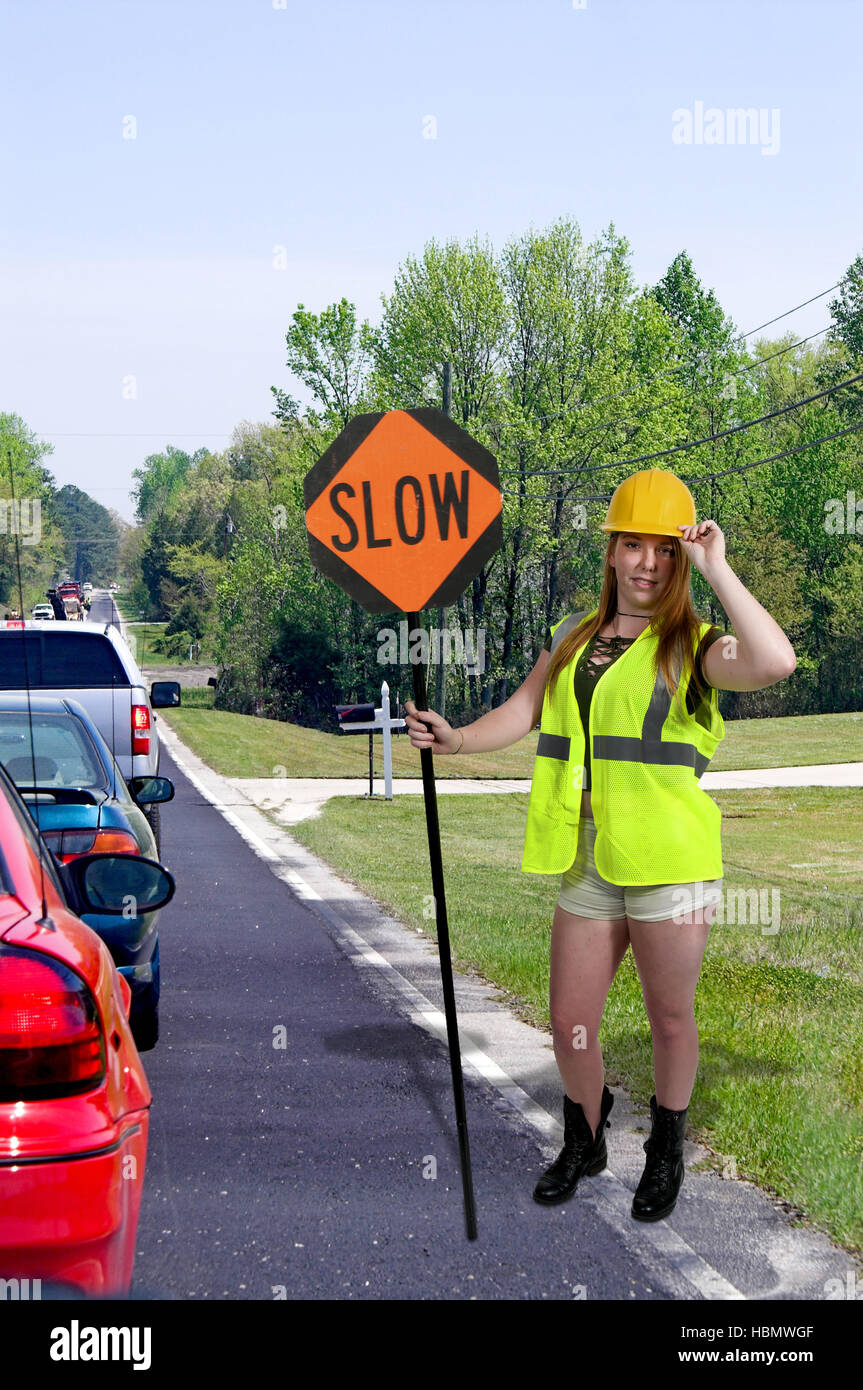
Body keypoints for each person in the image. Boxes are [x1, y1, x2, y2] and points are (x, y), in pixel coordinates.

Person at [404, 468, 796, 1222]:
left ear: (678, 560)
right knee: (568, 1018)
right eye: (631, 545)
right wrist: (454, 741)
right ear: (611, 552)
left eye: (662, 549)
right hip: (587, 857)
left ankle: (666, 1150)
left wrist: (718, 567)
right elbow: (521, 712)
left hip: (668, 863)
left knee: (668, 1018)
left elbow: (775, 661)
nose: (646, 562)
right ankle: (584, 1138)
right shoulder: (572, 637)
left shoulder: (697, 646)